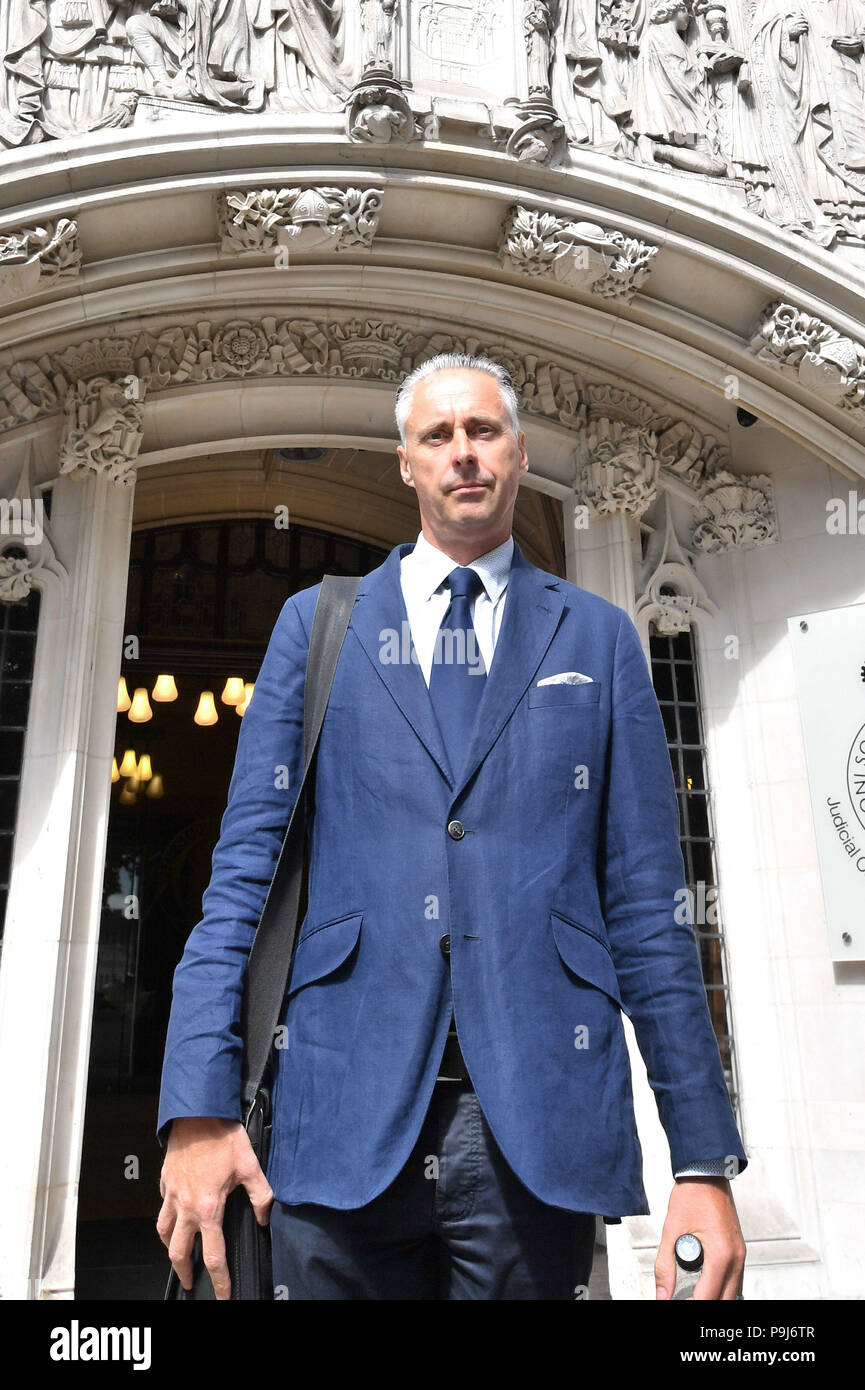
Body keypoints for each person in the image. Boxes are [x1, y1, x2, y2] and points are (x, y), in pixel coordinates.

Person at [156, 354, 747, 1300]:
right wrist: (196, 1109)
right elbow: (242, 881)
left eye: (483, 432)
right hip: (336, 1114)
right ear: (406, 464)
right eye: (439, 436)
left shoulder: (596, 639)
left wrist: (702, 1162)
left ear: (519, 453)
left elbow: (646, 910)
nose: (463, 453)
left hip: (534, 1126)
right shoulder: (318, 627)